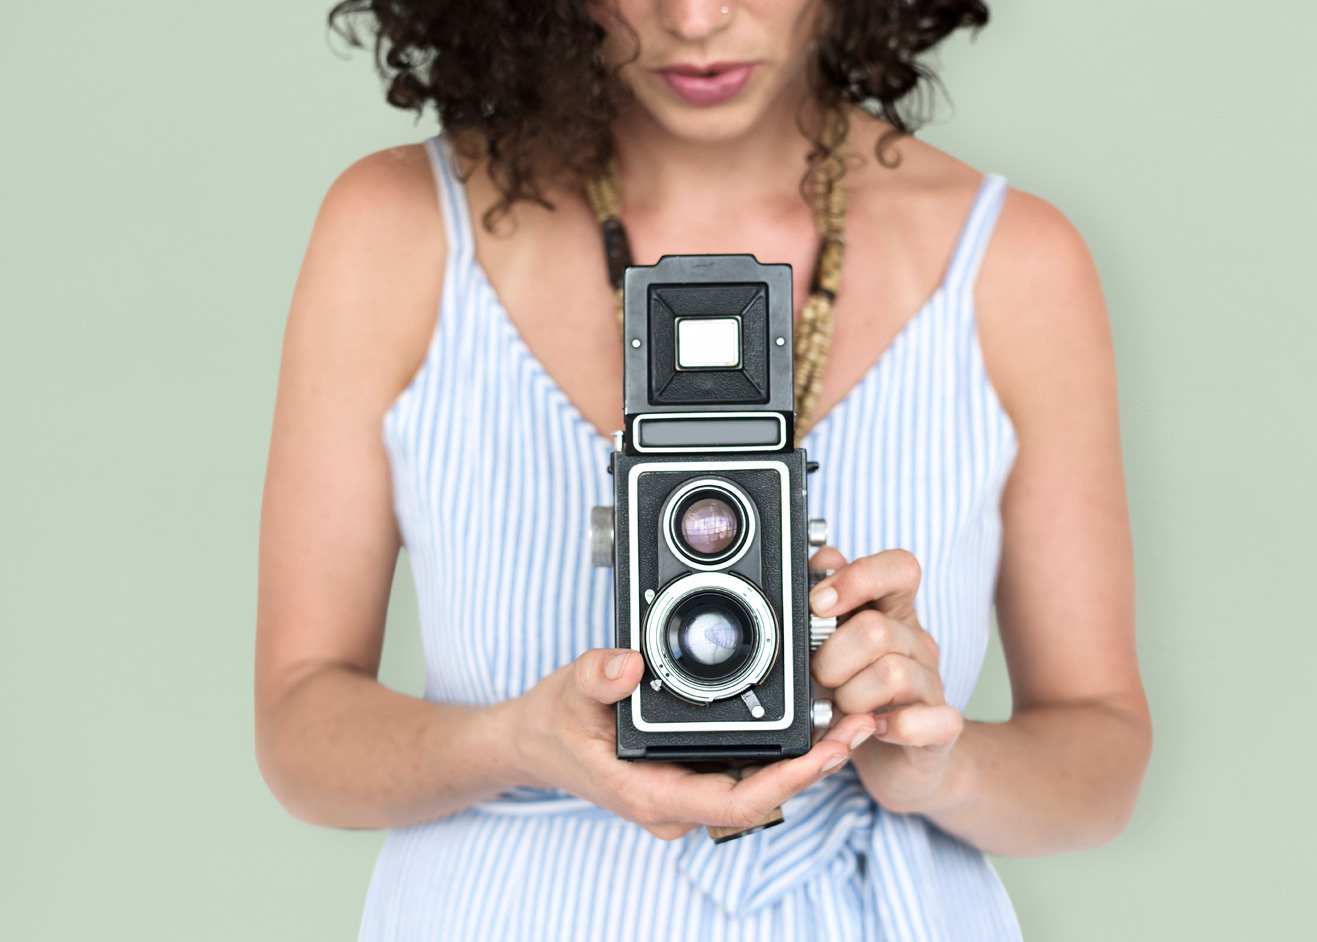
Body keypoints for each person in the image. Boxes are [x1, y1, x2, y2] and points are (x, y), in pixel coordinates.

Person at [254, 0, 1152, 938]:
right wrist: (513, 741)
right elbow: (298, 727)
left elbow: (1100, 758)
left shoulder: (1016, 264)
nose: (695, 17)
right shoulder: (396, 231)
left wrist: (936, 763)